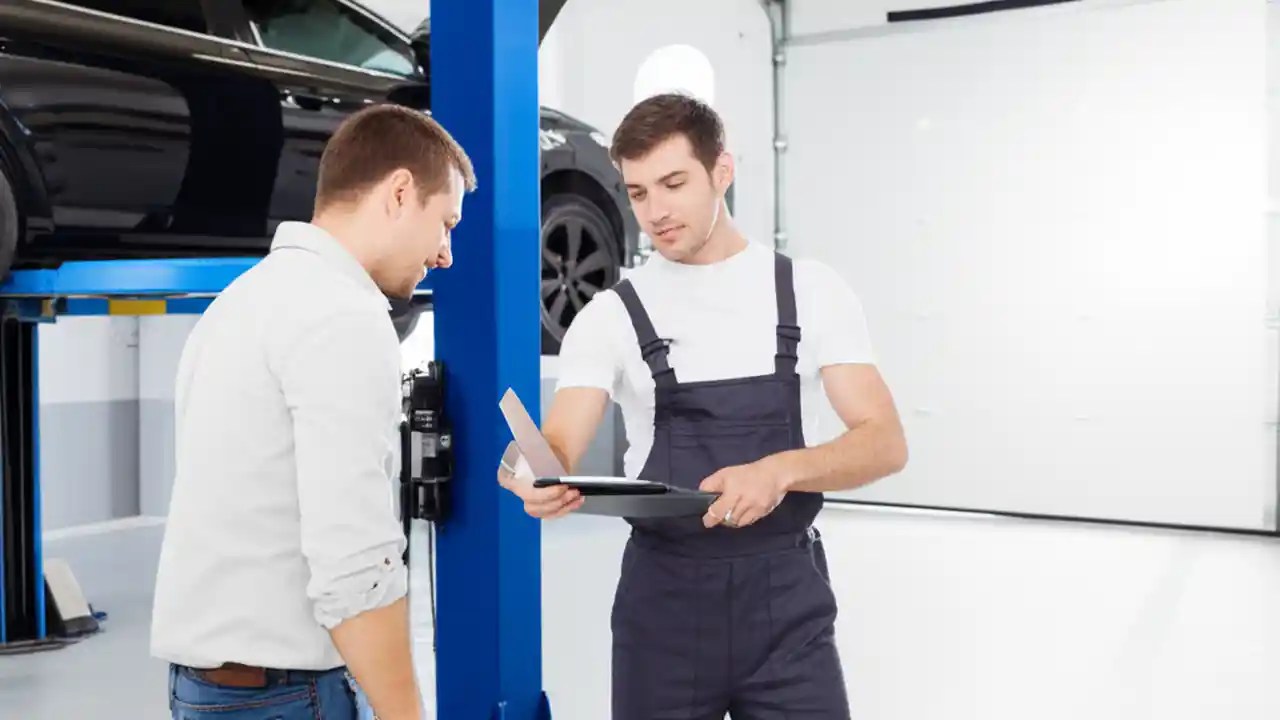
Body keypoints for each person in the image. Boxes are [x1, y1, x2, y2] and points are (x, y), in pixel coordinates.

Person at [498, 92, 908, 718]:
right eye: (637, 193)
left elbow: (884, 441)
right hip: (663, 611)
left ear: (723, 170)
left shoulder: (809, 291)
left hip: (786, 607)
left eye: (673, 183)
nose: (655, 212)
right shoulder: (611, 315)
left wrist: (779, 471)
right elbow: (558, 443)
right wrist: (531, 474)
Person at [150, 103, 475, 720]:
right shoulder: (343, 317)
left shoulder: (243, 300)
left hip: (207, 687)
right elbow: (354, 563)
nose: (446, 253)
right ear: (401, 192)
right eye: (446, 223)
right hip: (283, 696)